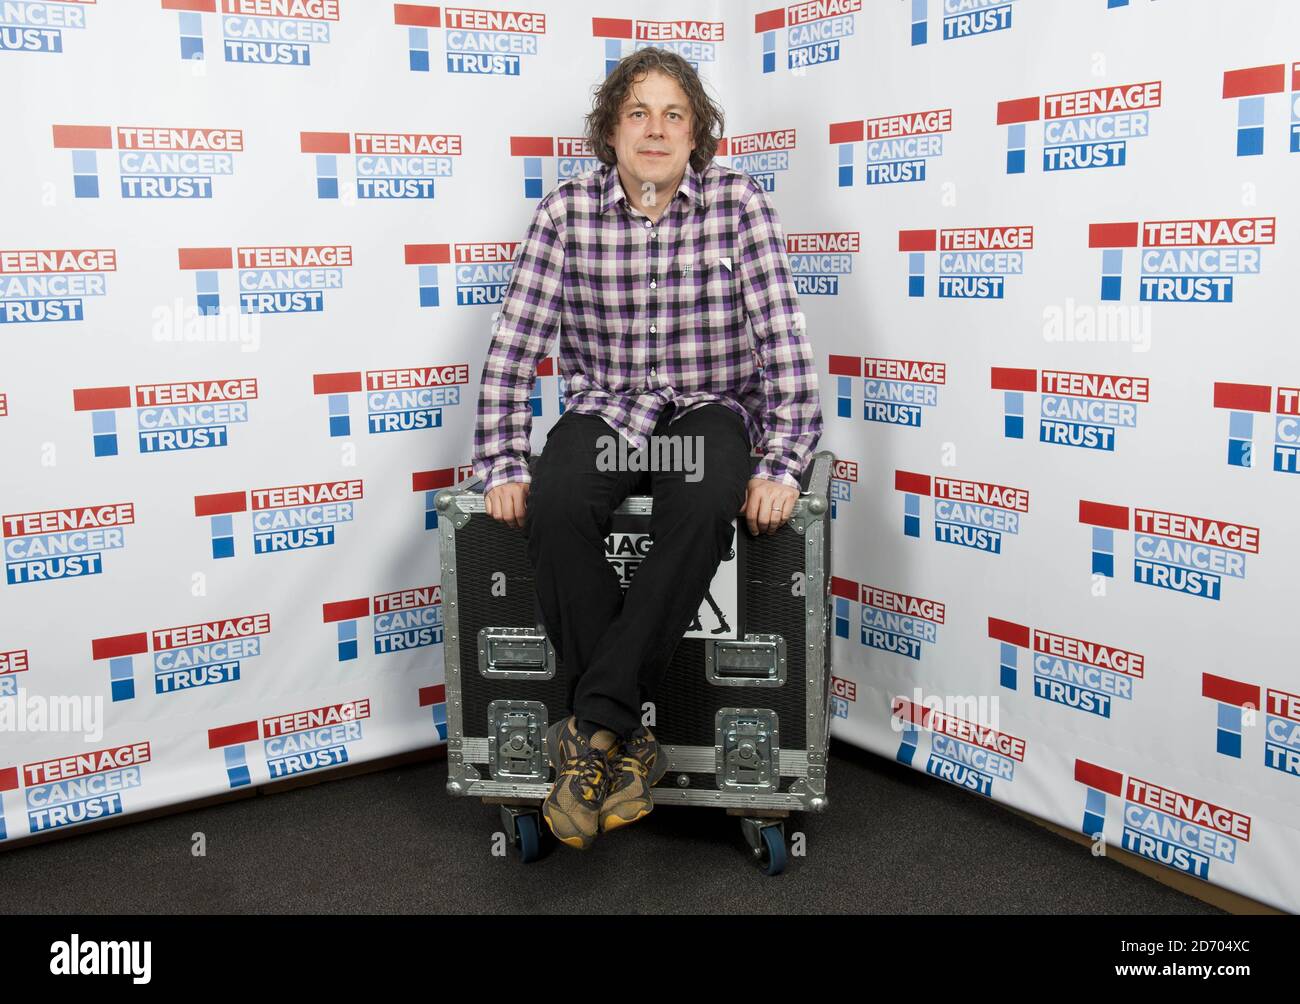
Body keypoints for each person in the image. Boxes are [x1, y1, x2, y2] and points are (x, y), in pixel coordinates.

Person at [470, 47, 823, 850]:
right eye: (638, 113)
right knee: (555, 501)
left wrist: (782, 461)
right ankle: (624, 743)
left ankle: (592, 734)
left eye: (673, 114)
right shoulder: (566, 211)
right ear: (611, 130)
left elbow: (784, 342)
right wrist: (500, 458)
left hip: (707, 407)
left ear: (696, 132)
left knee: (701, 501)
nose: (655, 129)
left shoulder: (737, 203)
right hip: (608, 408)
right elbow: (514, 343)